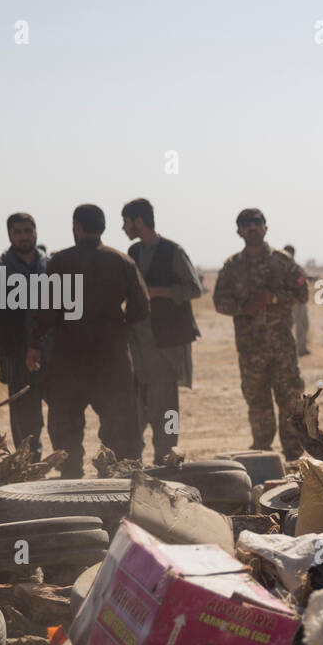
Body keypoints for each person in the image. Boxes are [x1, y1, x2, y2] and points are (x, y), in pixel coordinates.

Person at [25, 205, 147, 478]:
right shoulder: (122, 261)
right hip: (112, 359)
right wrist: (119, 328)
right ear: (102, 228)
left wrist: (35, 344)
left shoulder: (60, 262)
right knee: (120, 430)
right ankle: (119, 483)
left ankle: (70, 480)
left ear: (77, 227)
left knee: (66, 428)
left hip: (70, 359)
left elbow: (46, 310)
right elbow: (142, 308)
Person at [211, 209, 307, 458]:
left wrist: (273, 298)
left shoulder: (282, 261)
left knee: (290, 400)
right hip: (250, 349)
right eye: (246, 224)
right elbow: (219, 301)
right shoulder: (232, 267)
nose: (252, 228)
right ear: (239, 231)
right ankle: (263, 456)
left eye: (257, 223)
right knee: (257, 403)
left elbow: (302, 293)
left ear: (265, 228)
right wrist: (244, 307)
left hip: (281, 347)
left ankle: (295, 457)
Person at [121, 198, 203, 465]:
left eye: (126, 222)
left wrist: (159, 292)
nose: (124, 228)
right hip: (139, 345)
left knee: (166, 409)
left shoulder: (173, 251)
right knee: (136, 408)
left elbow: (193, 289)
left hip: (166, 345)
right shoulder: (132, 253)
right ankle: (133, 464)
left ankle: (166, 463)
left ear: (139, 222)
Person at [0, 213, 48, 455]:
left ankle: (68, 466)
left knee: (61, 407)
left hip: (50, 350)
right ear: (10, 234)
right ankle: (28, 462)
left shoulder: (49, 264)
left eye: (28, 231)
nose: (24, 236)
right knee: (24, 411)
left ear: (36, 232)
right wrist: (9, 332)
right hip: (16, 352)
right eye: (18, 232)